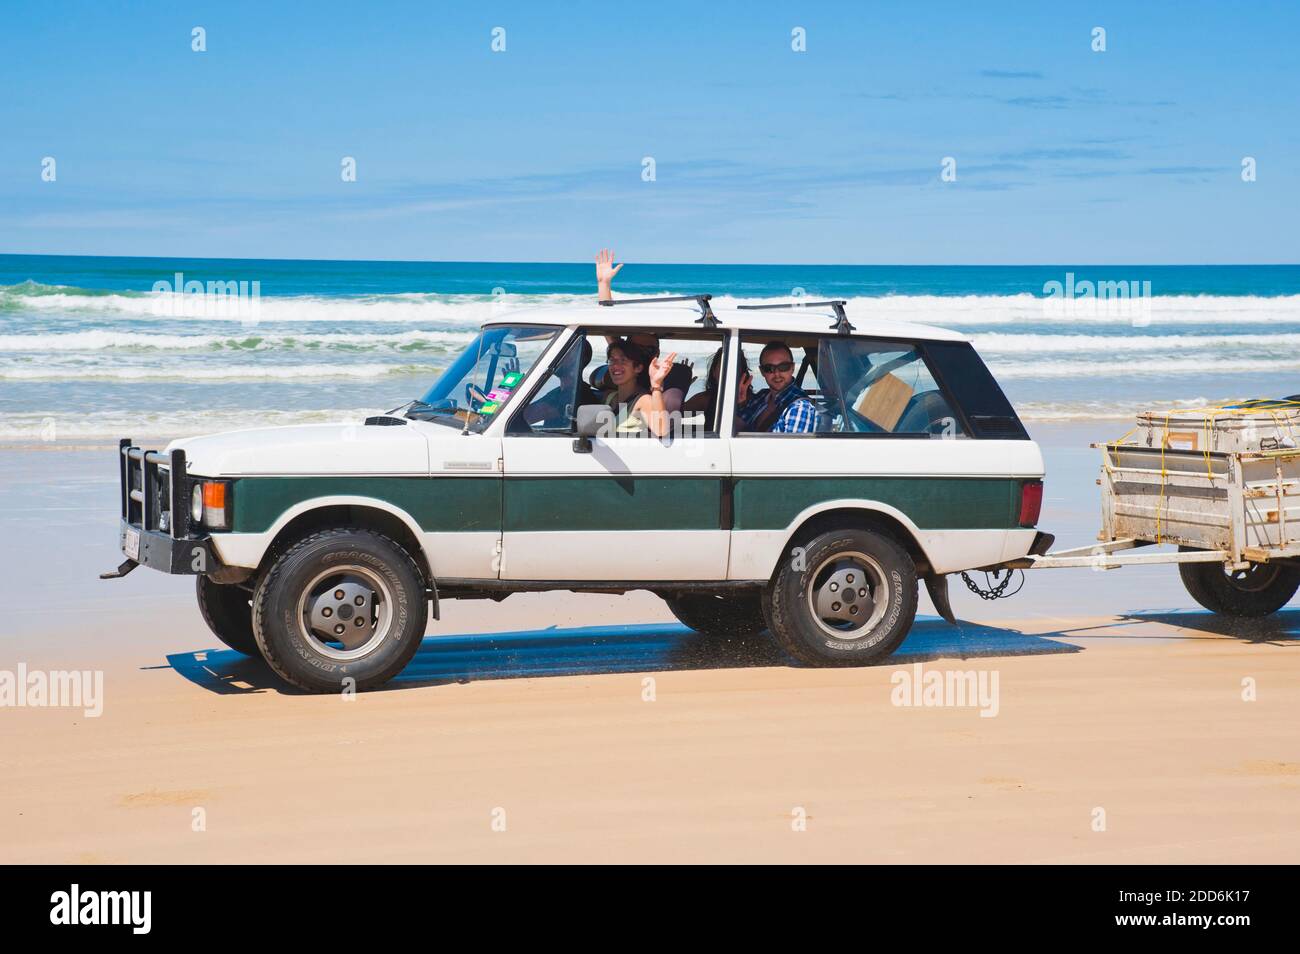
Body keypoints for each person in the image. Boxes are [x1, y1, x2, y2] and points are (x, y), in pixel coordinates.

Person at [594, 248, 688, 413]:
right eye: (637, 349)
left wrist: (657, 386)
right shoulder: (625, 363)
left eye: (649, 349)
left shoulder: (669, 374)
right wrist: (604, 284)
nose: (643, 354)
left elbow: (668, 412)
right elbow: (606, 325)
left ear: (657, 352)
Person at [738, 341, 819, 433]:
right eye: (769, 368)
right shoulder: (762, 396)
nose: (777, 374)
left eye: (783, 367)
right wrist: (741, 403)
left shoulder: (800, 408)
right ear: (762, 371)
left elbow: (792, 447)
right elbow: (735, 428)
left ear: (792, 368)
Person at [604, 338, 677, 438]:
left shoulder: (643, 400)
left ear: (638, 368)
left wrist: (656, 385)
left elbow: (661, 430)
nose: (615, 365)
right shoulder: (610, 397)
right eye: (612, 360)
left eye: (623, 360)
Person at [681, 347, 753, 431]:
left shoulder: (754, 401)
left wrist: (741, 405)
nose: (729, 373)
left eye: (734, 368)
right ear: (714, 373)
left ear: (743, 373)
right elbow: (674, 414)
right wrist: (681, 389)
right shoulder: (707, 398)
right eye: (724, 367)